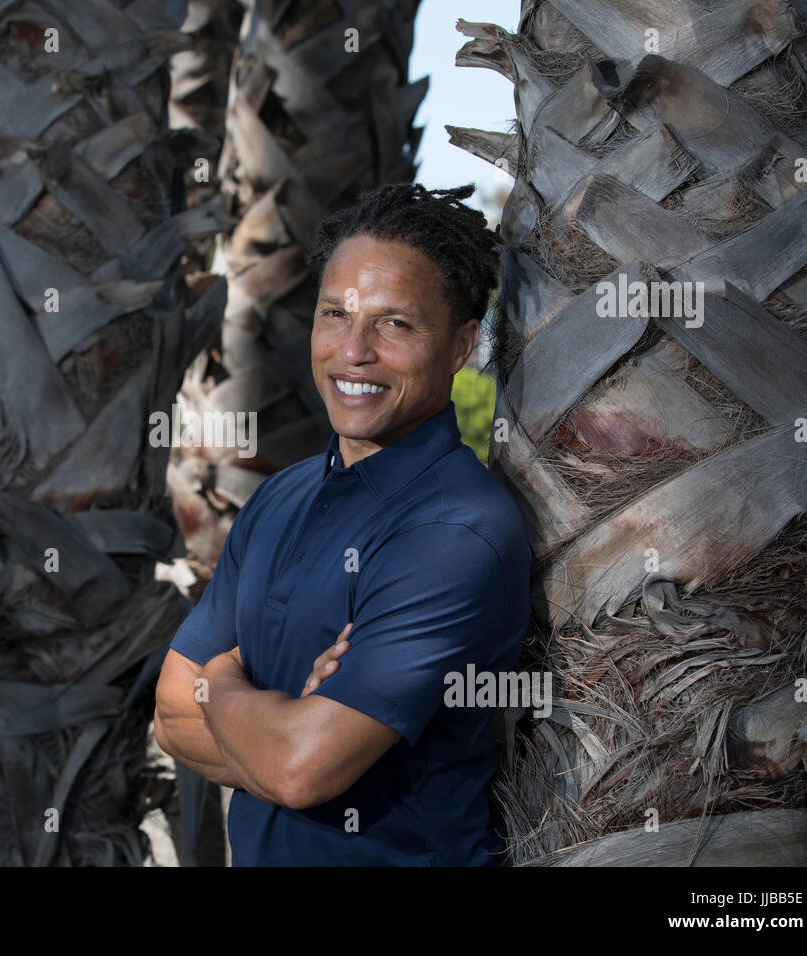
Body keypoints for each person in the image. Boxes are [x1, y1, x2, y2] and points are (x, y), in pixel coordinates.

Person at [153, 182, 530, 866]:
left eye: (395, 324)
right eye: (336, 315)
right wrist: (273, 727)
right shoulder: (280, 498)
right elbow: (172, 717)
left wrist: (226, 680)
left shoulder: (456, 532)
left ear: (462, 346)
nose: (353, 352)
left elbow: (299, 768)